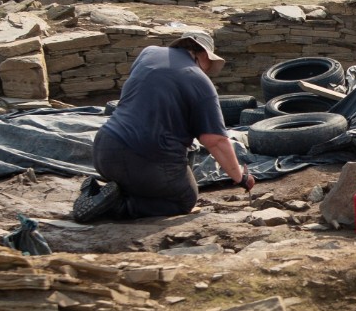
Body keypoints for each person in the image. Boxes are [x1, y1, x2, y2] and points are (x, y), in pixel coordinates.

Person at [88, 29, 255, 220]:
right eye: (209, 63)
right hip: (140, 159)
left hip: (103, 149)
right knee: (184, 198)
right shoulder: (200, 82)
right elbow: (215, 140)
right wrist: (240, 177)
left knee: (159, 174)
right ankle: (117, 206)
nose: (208, 69)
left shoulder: (148, 53)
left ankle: (101, 193)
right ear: (203, 55)